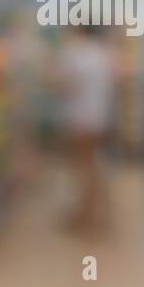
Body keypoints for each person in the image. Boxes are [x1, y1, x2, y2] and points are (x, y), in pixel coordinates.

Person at [57, 23, 115, 233]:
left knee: (81, 168)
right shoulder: (103, 53)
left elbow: (65, 85)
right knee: (94, 164)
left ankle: (84, 214)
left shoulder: (74, 53)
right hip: (100, 117)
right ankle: (98, 211)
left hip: (79, 119)